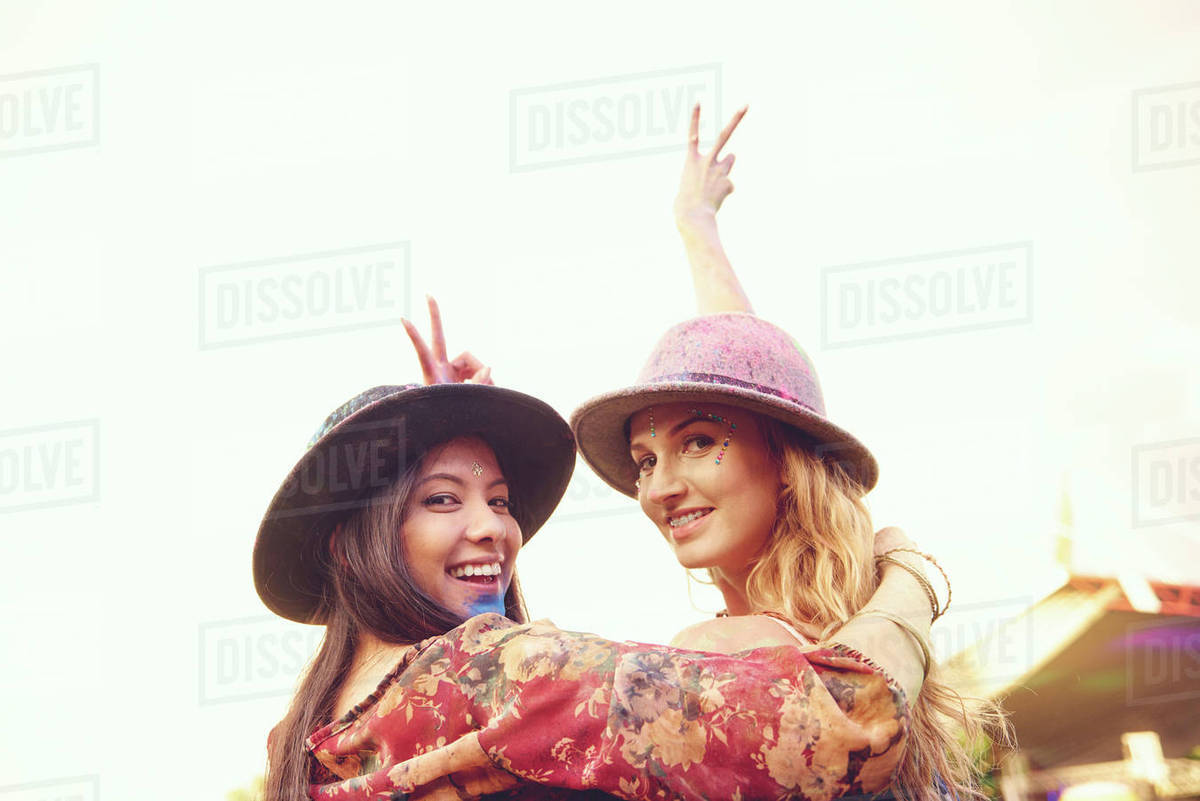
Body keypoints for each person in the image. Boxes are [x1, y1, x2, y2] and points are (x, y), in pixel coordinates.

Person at [383, 106, 1010, 801]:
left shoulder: (728, 649)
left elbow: (756, 381)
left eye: (698, 443)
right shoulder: (866, 621)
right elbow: (757, 386)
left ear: (786, 457)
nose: (659, 487)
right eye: (646, 460)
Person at [256, 309, 936, 800]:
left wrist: (447, 428)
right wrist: (910, 575)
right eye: (440, 500)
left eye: (500, 500)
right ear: (349, 544)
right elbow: (850, 716)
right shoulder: (504, 673)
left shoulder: (305, 742)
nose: (495, 528)